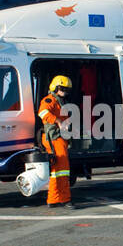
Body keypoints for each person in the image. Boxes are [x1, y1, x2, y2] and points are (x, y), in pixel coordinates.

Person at [38, 74, 75, 208]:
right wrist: (58, 121)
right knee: (63, 170)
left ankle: (53, 199)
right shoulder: (49, 100)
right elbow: (43, 113)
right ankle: (65, 199)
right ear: (56, 87)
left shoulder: (60, 101)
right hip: (55, 138)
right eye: (63, 88)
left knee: (56, 171)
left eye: (67, 89)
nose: (65, 92)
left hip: (59, 138)